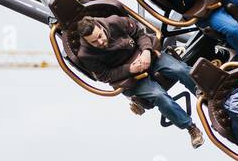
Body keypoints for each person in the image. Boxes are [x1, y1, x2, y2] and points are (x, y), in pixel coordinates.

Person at [71, 15, 205, 148]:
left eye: (100, 36)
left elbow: (140, 33)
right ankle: (191, 128)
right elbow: (105, 76)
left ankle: (204, 92)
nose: (100, 42)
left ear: (100, 26)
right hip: (131, 78)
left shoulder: (115, 22)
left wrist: (146, 51)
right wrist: (130, 69)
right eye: (94, 42)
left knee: (180, 69)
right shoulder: (86, 55)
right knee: (158, 96)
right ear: (86, 41)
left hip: (146, 57)